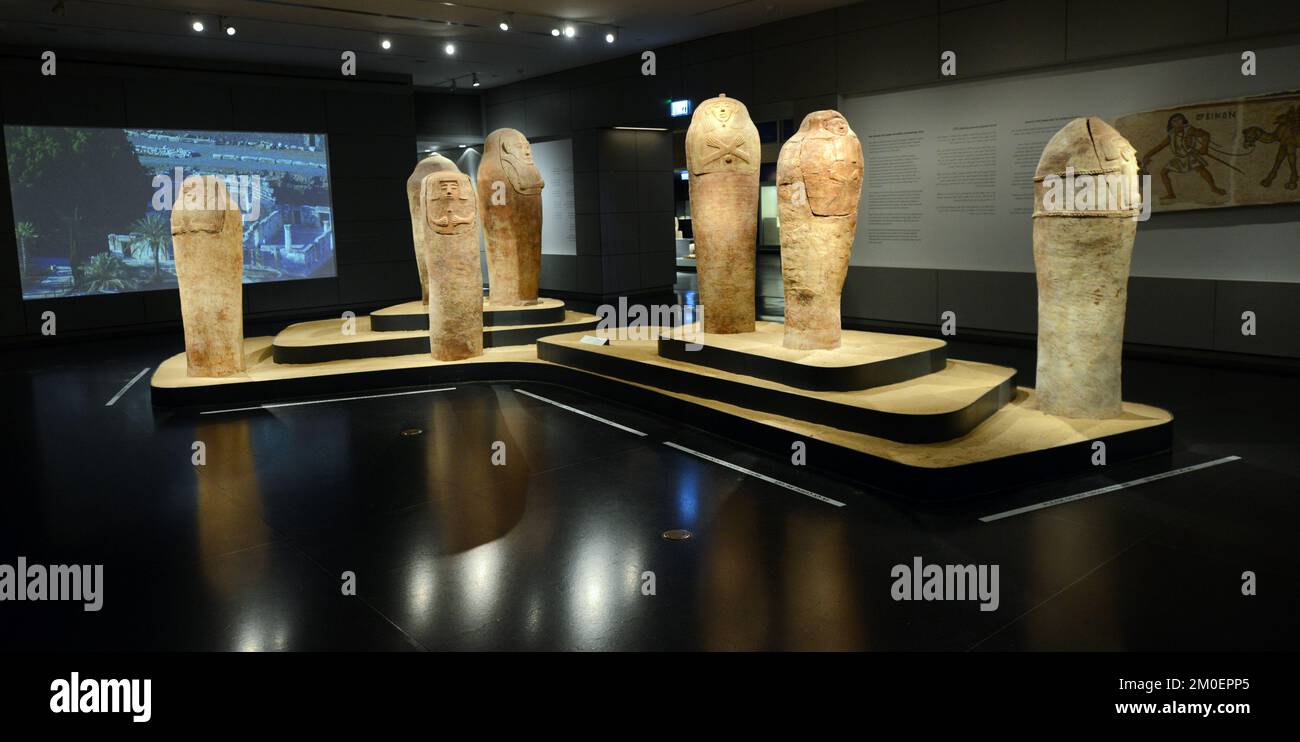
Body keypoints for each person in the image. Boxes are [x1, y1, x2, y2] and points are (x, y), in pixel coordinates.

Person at [1140, 113, 1228, 199]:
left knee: (1201, 169)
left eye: (1179, 120)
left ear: (1183, 121)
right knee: (1163, 172)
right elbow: (1160, 146)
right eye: (1174, 121)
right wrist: (1148, 154)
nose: (1177, 122)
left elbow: (1205, 134)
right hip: (1179, 158)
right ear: (1171, 124)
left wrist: (1204, 147)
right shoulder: (1171, 135)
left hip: (1189, 156)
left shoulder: (1189, 130)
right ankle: (1171, 194)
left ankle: (1214, 188)